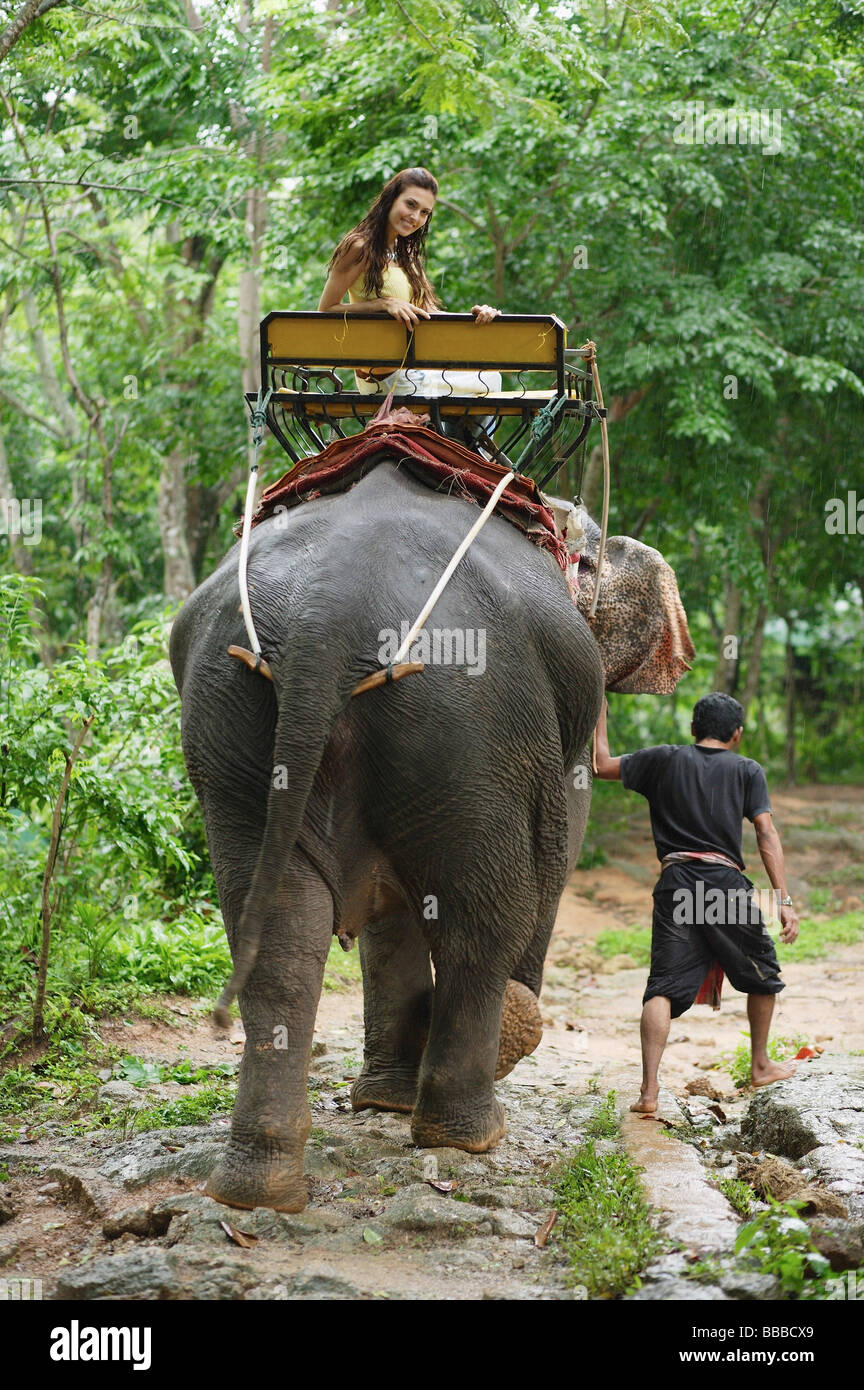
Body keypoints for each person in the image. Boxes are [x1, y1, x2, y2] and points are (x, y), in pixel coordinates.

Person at [593, 691, 800, 1113]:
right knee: (763, 975)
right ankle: (760, 1065)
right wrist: (784, 897)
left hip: (677, 883)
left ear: (692, 729)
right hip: (725, 885)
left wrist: (600, 710)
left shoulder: (662, 759)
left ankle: (648, 1093)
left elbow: (600, 765)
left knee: (662, 987)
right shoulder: (747, 770)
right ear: (737, 735)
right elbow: (765, 834)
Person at [318, 166, 501, 405]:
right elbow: (326, 309)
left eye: (424, 212)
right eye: (411, 205)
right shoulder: (359, 247)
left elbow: (426, 314)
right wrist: (382, 304)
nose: (416, 217)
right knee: (485, 385)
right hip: (383, 375)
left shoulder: (406, 255)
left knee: (492, 378)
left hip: (415, 367)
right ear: (391, 199)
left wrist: (474, 317)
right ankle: (462, 440)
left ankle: (469, 443)